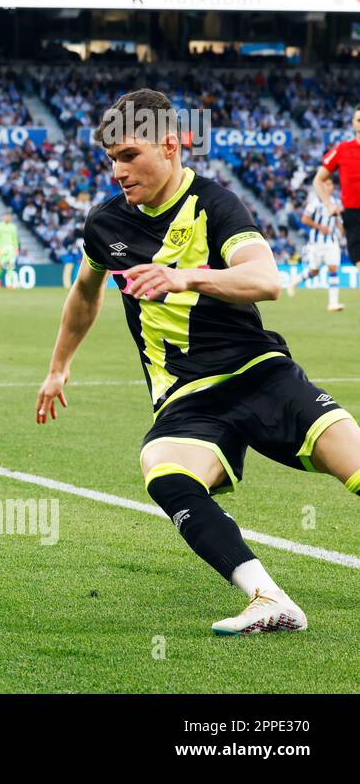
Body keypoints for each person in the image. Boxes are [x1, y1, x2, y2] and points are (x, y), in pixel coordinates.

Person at [37, 89, 360, 636]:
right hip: (187, 399)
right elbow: (84, 293)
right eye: (111, 158)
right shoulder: (106, 226)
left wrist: (186, 275)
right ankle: (267, 597)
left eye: (128, 155)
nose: (118, 170)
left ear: (170, 145)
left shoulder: (214, 204)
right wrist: (58, 365)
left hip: (260, 374)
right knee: (165, 472)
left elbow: (266, 280)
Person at [313, 105, 360, 305]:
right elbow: (318, 180)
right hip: (353, 214)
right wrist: (328, 204)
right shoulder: (342, 149)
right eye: (359, 120)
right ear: (353, 123)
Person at [287, 182, 343, 311]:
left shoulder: (336, 202)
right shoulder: (315, 202)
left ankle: (333, 303)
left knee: (333, 268)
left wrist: (340, 233)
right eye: (326, 185)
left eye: (330, 185)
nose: (328, 188)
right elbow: (304, 219)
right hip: (316, 243)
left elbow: (339, 221)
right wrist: (319, 227)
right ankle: (294, 282)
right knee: (314, 271)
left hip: (331, 242)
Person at [0, 211, 20, 288]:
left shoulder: (13, 227)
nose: (7, 218)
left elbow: (15, 238)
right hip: (1, 248)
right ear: (3, 217)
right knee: (0, 266)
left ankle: (10, 284)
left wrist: (17, 248)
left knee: (10, 266)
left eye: (9, 216)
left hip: (11, 249)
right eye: (6, 216)